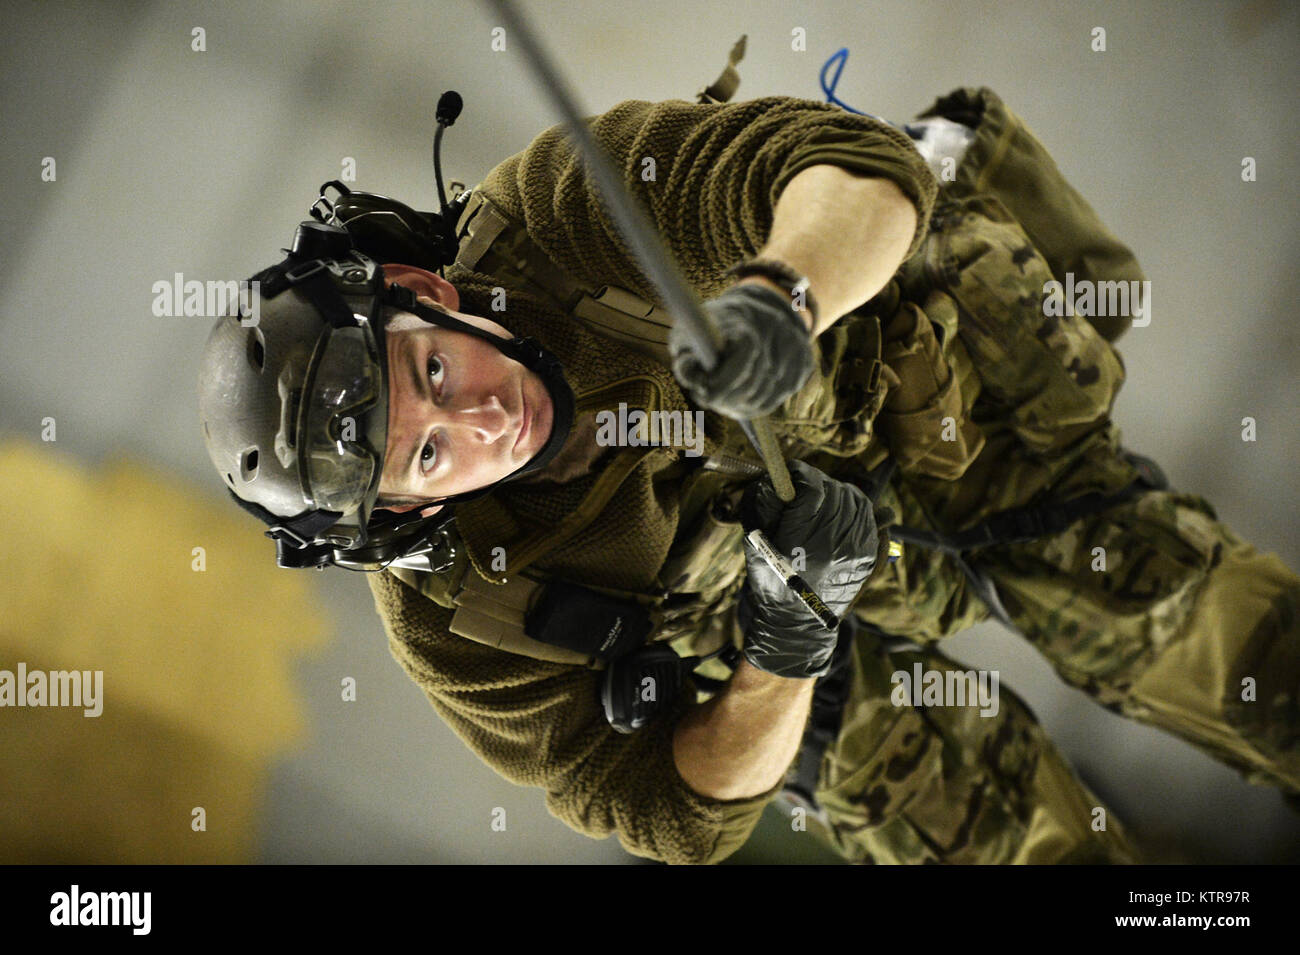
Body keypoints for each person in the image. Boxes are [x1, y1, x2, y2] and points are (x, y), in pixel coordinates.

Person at [198, 85, 1300, 864]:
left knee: (1230, 646)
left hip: (933, 440)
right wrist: (786, 649)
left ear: (418, 291)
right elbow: (673, 817)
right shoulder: (459, 619)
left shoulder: (555, 219)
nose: (478, 412)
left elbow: (855, 170)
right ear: (405, 511)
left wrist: (782, 294)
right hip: (793, 648)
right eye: (430, 450)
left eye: (433, 368)